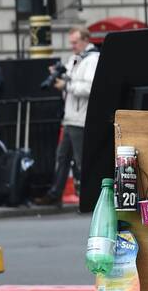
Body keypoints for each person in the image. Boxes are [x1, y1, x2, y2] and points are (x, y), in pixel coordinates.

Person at [34, 27, 99, 206]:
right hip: (70, 117)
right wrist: (59, 74)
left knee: (81, 161)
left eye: (75, 42)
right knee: (62, 157)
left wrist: (66, 85)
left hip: (81, 119)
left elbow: (90, 87)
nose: (72, 46)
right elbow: (70, 81)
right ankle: (55, 194)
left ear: (86, 40)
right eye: (71, 42)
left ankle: (90, 197)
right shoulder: (74, 59)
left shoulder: (92, 59)